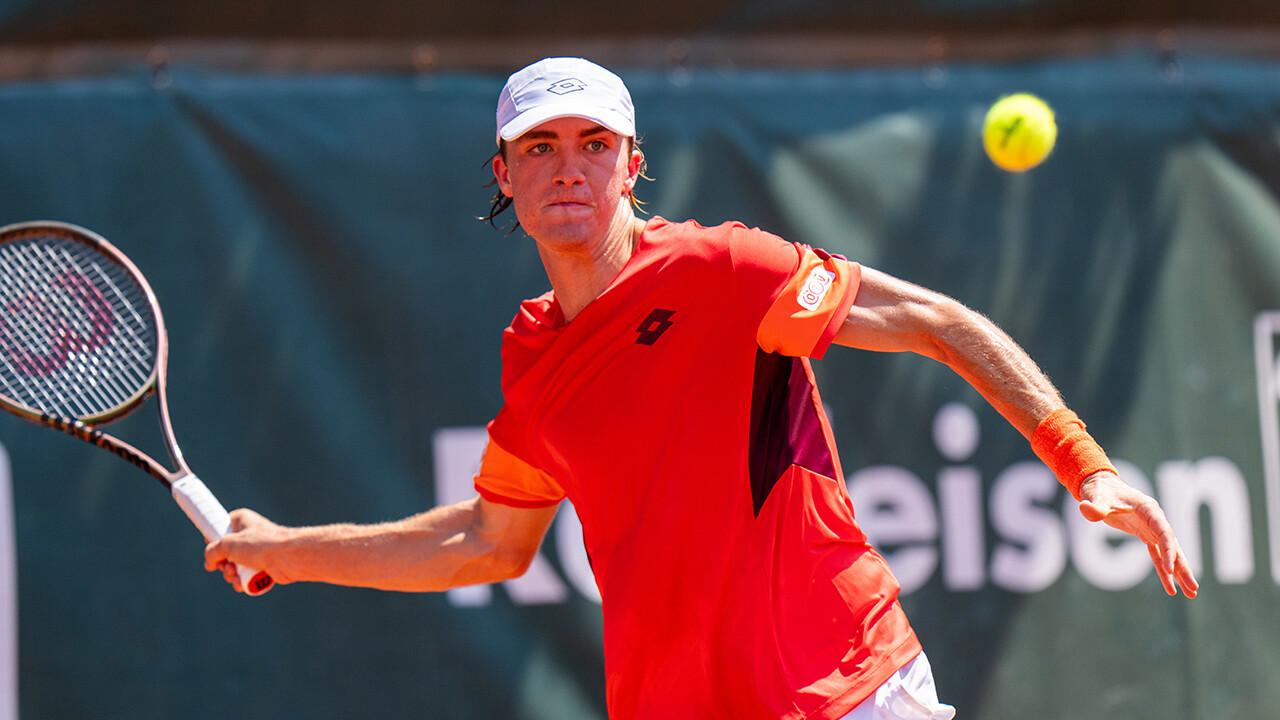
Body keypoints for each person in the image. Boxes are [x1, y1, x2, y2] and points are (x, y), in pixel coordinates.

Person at [206, 57, 1199, 720]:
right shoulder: (532, 357)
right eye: (540, 148)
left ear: (632, 165)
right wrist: (285, 552)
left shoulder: (726, 273)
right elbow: (486, 539)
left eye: (593, 145)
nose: (569, 170)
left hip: (844, 689)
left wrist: (1081, 462)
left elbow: (938, 323)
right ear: (501, 175)